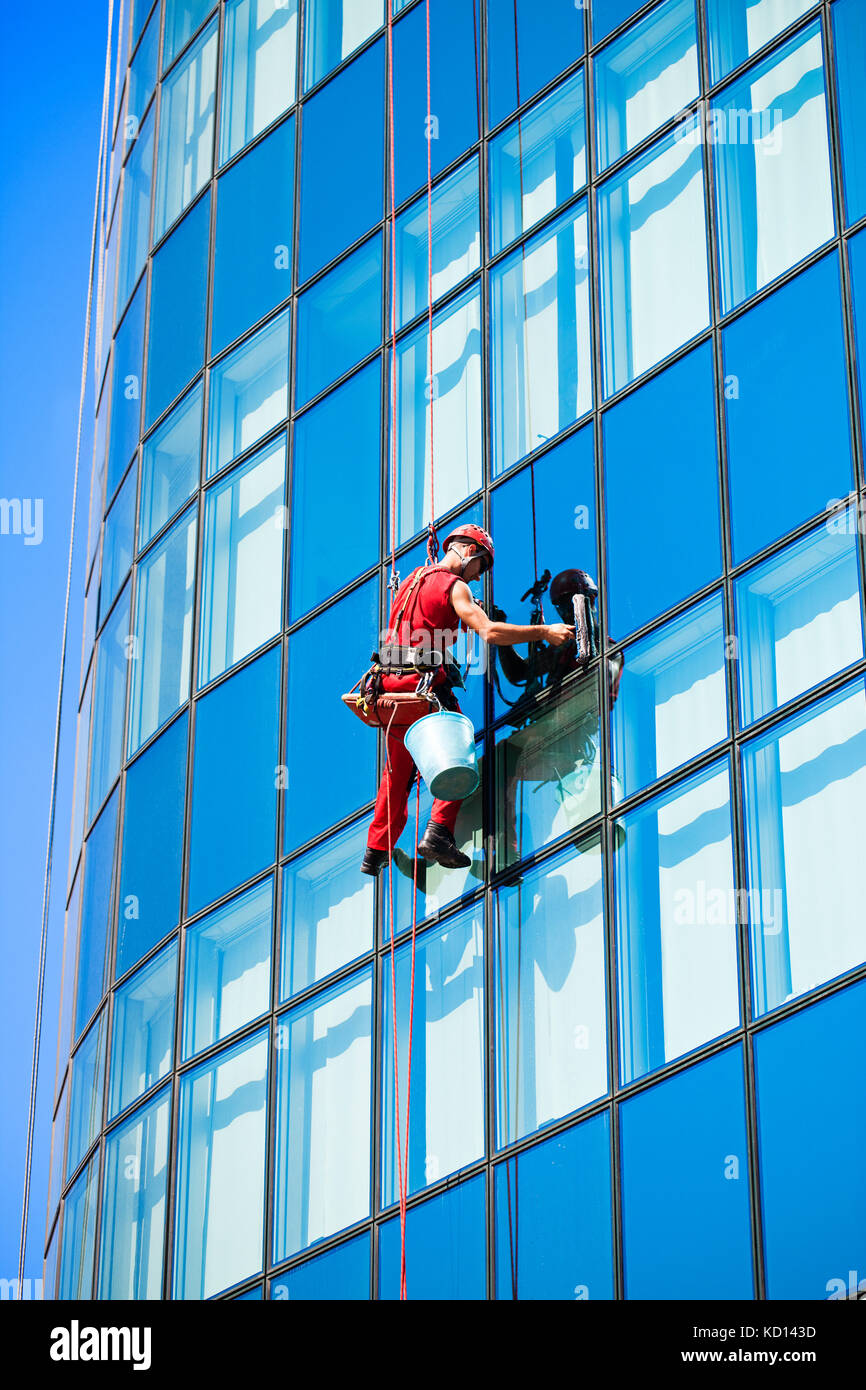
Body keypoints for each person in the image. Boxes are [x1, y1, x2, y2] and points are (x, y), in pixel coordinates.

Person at [361, 525, 575, 875]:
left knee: (396, 776)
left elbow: (424, 620)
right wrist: (543, 631)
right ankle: (438, 833)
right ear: (470, 552)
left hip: (390, 692)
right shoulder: (455, 586)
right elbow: (489, 632)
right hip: (422, 688)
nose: (477, 577)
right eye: (481, 567)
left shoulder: (413, 579)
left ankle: (375, 851)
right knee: (459, 754)